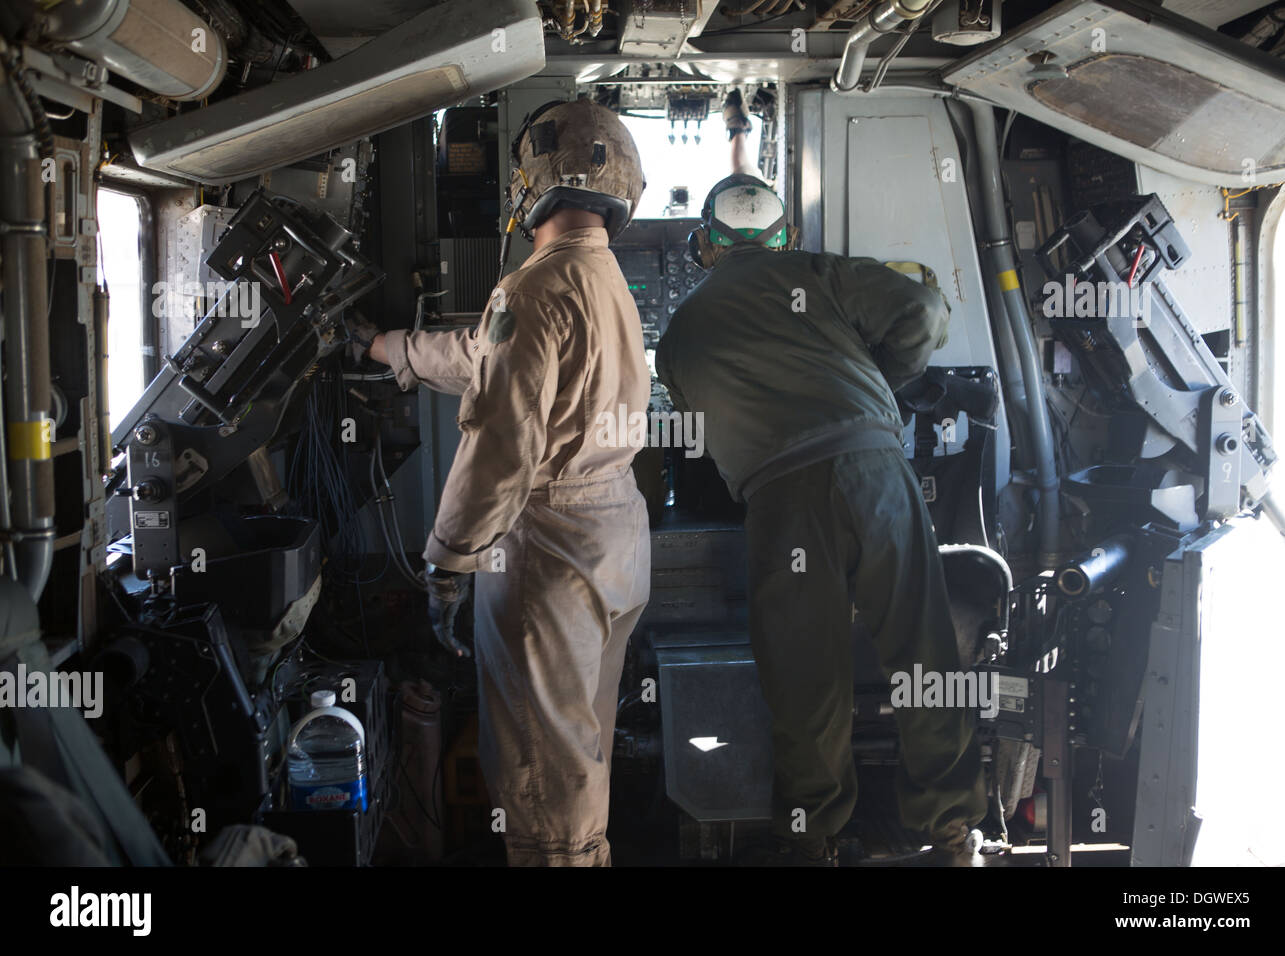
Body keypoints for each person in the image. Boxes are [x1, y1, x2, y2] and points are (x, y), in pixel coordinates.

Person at [655, 92, 986, 865]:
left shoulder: (680, 333)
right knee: (923, 650)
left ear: (705, 243)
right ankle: (952, 831)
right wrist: (884, 384)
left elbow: (690, 437)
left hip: (783, 497)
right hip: (876, 469)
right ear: (782, 235)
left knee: (806, 681)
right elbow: (922, 311)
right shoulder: (816, 272)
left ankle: (813, 841)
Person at [355, 98, 651, 866]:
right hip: (614, 538)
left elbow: (501, 445)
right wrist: (391, 348)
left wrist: (449, 560)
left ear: (528, 186)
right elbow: (485, 357)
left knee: (539, 777)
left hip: (548, 547)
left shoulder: (533, 289)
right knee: (576, 751)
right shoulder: (598, 276)